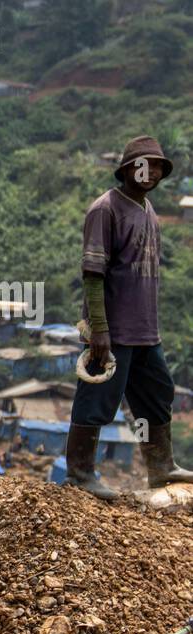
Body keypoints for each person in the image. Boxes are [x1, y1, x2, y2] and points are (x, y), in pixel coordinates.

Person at [68, 136, 193, 498]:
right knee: (98, 399)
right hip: (112, 331)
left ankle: (161, 467)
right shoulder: (105, 209)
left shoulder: (148, 210)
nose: (150, 171)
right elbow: (93, 275)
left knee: (157, 394)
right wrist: (100, 330)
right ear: (127, 170)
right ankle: (79, 473)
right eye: (144, 164)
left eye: (157, 166)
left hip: (144, 332)